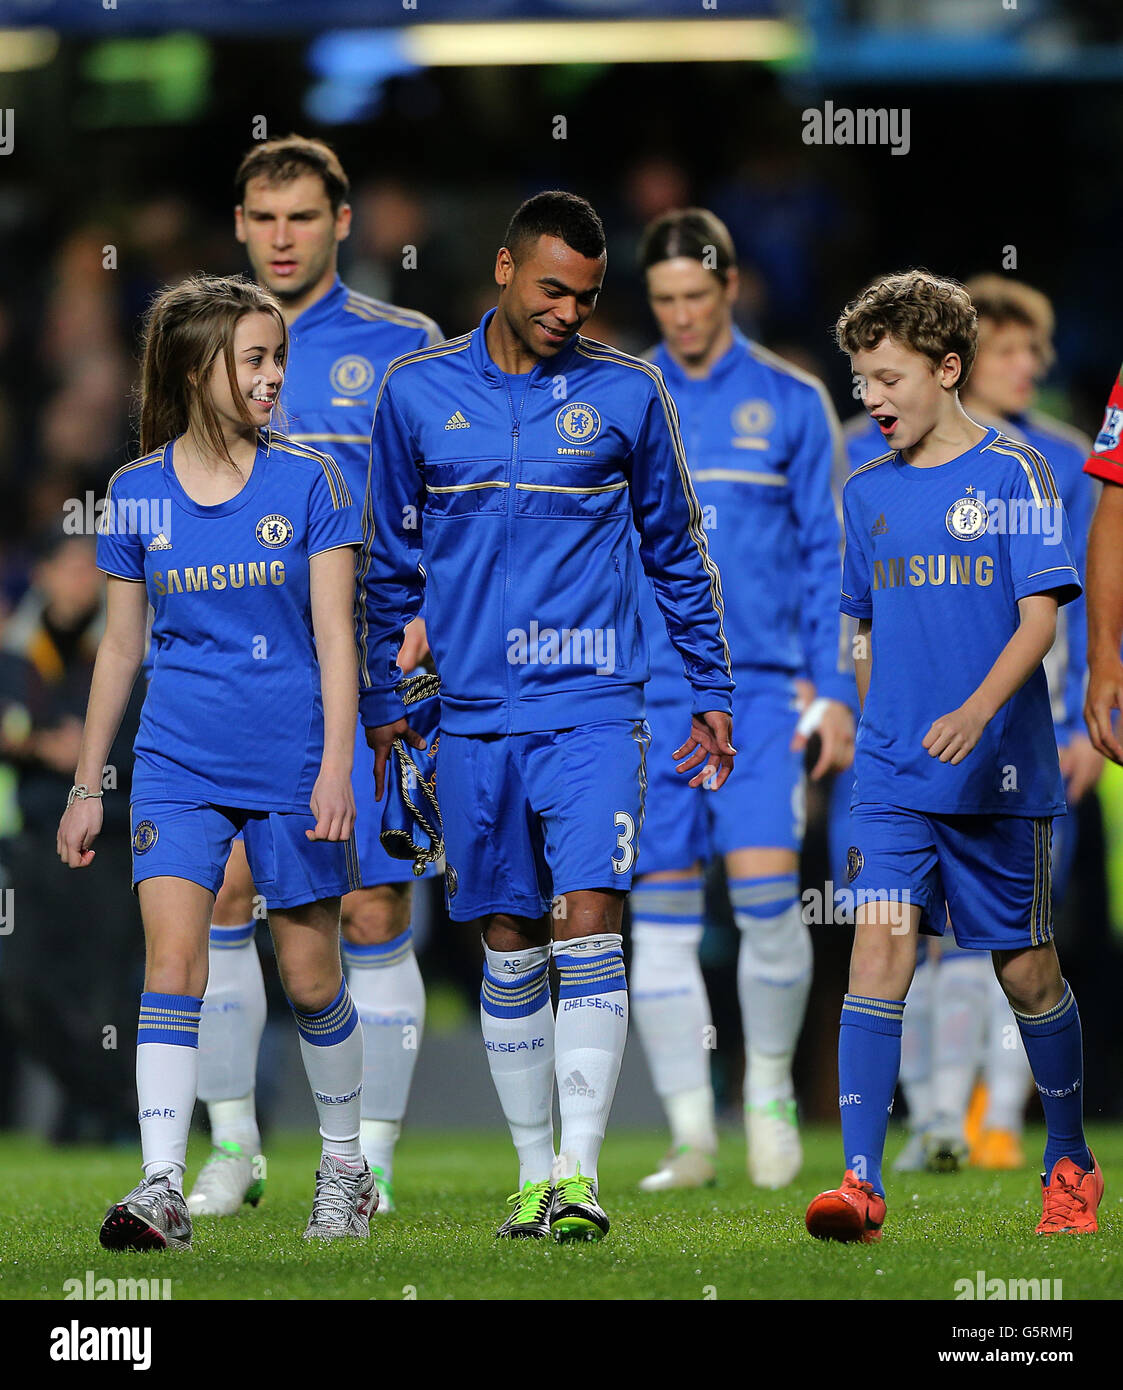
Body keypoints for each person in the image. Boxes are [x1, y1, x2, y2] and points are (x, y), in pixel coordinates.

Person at [359, 191, 735, 1242]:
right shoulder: (416, 395)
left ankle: (577, 1171)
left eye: (586, 294)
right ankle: (532, 1174)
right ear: (503, 269)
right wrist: (387, 703)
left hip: (591, 707)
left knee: (588, 917)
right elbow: (388, 565)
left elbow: (676, 550)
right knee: (509, 940)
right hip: (471, 717)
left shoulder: (627, 395)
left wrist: (710, 688)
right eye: (551, 288)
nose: (569, 310)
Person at [57, 274, 372, 1249]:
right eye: (256, 359)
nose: (276, 376)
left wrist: (334, 769)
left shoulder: (312, 480)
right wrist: (86, 781)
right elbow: (119, 649)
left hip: (290, 761)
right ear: (199, 371)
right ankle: (161, 1183)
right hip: (177, 760)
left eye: (278, 356)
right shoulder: (136, 493)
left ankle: (346, 1165)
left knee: (311, 974)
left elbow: (335, 638)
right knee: (174, 961)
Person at [805, 270, 1102, 1243]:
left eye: (889, 377)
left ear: (945, 367)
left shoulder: (1014, 473)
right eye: (862, 381)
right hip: (893, 775)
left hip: (1002, 772)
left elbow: (1038, 624)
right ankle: (859, 1183)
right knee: (879, 945)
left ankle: (1068, 1160)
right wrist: (865, 693)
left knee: (1024, 972)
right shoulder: (865, 491)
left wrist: (975, 711)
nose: (873, 398)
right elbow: (855, 617)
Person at [188, 136, 442, 1220]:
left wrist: (433, 607)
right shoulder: (201, 345)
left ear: (343, 222)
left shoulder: (405, 345)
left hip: (373, 662)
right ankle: (235, 1147)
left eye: (300, 216)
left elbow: (455, 489)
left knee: (373, 907)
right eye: (262, 216)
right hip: (241, 663)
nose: (280, 236)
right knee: (229, 893)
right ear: (239, 224)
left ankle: (368, 1160)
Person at [626, 209, 854, 1193]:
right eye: (663, 301)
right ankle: (690, 1131)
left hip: (760, 694)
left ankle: (765, 1095)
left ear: (730, 290)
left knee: (768, 903)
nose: (680, 317)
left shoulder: (791, 401)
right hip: (649, 696)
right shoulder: (618, 396)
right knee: (661, 921)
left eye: (695, 297)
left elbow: (826, 557)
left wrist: (835, 687)